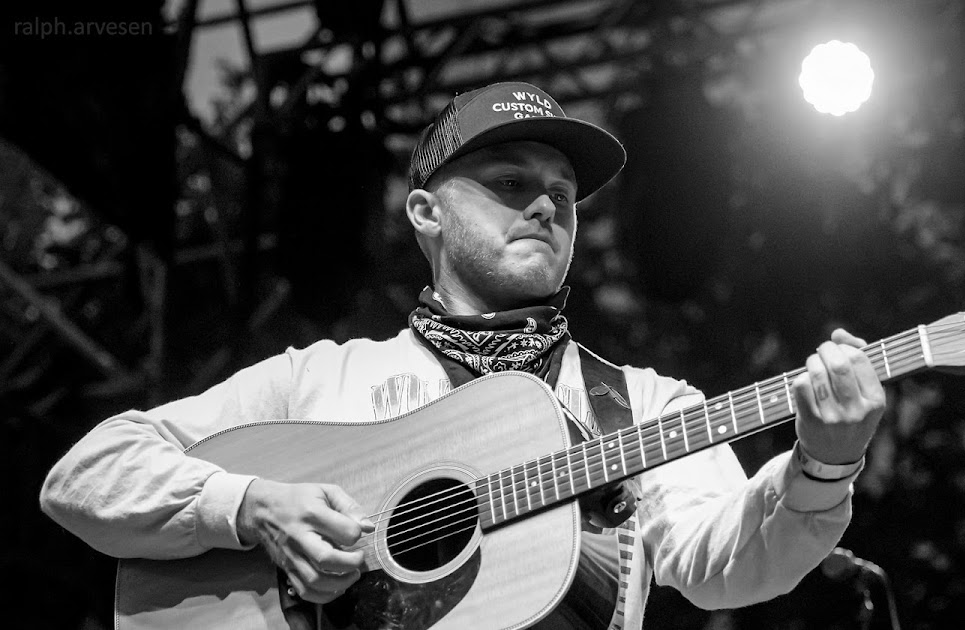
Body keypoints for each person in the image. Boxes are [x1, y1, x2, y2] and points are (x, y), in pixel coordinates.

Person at [40, 81, 886, 629]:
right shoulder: (320, 378)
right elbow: (86, 474)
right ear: (425, 213)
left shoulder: (642, 404)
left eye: (561, 195)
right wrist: (251, 504)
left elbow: (722, 565)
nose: (547, 208)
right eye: (512, 185)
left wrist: (823, 464)